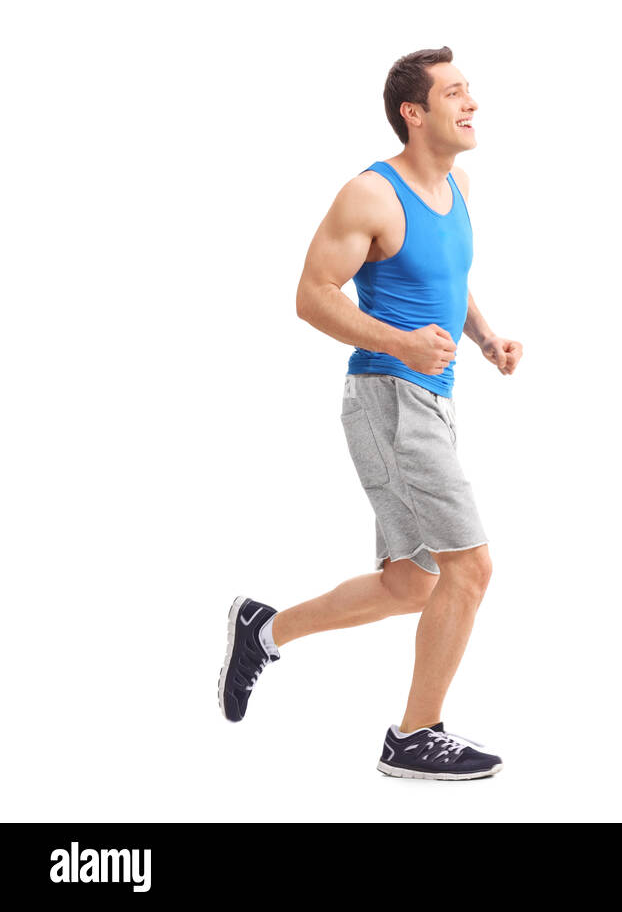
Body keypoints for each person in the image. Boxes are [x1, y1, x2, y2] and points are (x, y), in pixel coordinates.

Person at [217, 47, 522, 781]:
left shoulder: (457, 186)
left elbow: (447, 276)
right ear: (413, 113)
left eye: (470, 90)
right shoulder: (370, 195)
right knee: (471, 568)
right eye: (454, 93)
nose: (472, 103)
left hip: (434, 398)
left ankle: (263, 631)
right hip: (389, 400)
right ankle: (414, 736)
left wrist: (484, 338)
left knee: (412, 585)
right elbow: (311, 295)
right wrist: (398, 341)